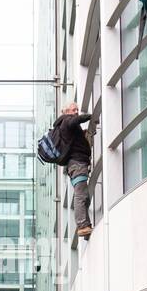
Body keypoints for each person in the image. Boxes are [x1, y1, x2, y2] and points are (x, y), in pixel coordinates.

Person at [52, 101, 94, 238]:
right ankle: (82, 225)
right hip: (77, 164)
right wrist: (89, 116)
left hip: (76, 164)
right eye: (73, 110)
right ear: (66, 112)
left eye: (77, 110)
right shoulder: (66, 121)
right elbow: (73, 122)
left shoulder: (65, 125)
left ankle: (85, 225)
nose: (76, 112)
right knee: (81, 194)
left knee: (84, 195)